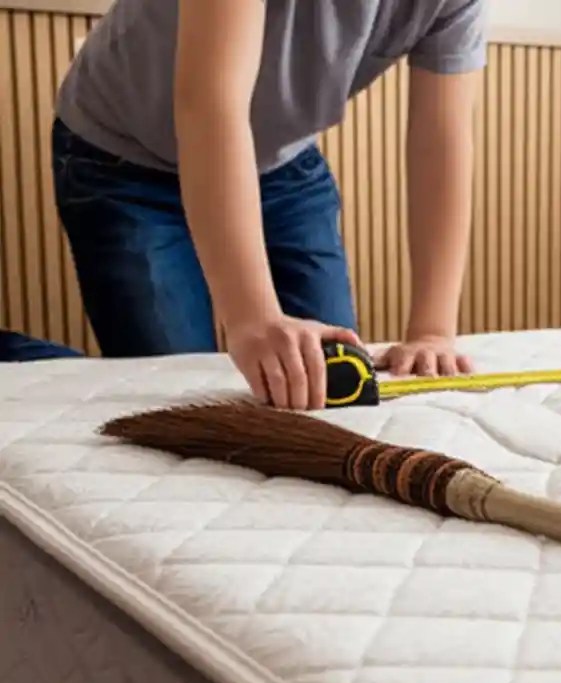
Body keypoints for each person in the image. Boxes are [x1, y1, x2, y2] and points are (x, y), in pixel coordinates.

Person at [51, 0, 484, 410]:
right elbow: (210, 105)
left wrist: (432, 331)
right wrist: (252, 317)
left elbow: (442, 142)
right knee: (175, 382)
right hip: (124, 161)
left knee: (326, 381)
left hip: (283, 166)